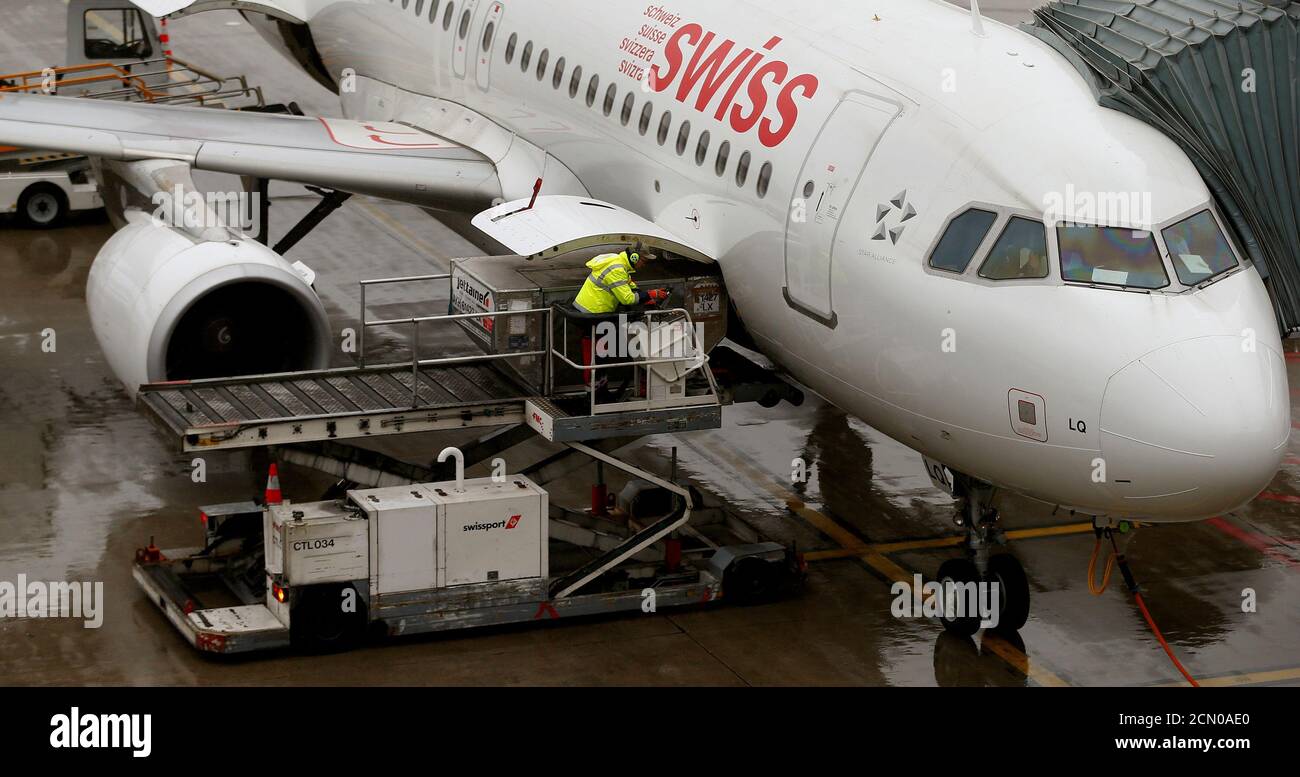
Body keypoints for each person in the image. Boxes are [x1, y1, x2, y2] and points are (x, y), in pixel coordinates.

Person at [573, 243, 669, 314]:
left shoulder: (620, 263)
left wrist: (646, 298)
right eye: (644, 261)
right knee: (607, 335)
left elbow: (631, 286)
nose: (644, 265)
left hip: (590, 308)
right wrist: (652, 293)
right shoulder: (617, 270)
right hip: (592, 312)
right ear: (634, 258)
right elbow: (627, 299)